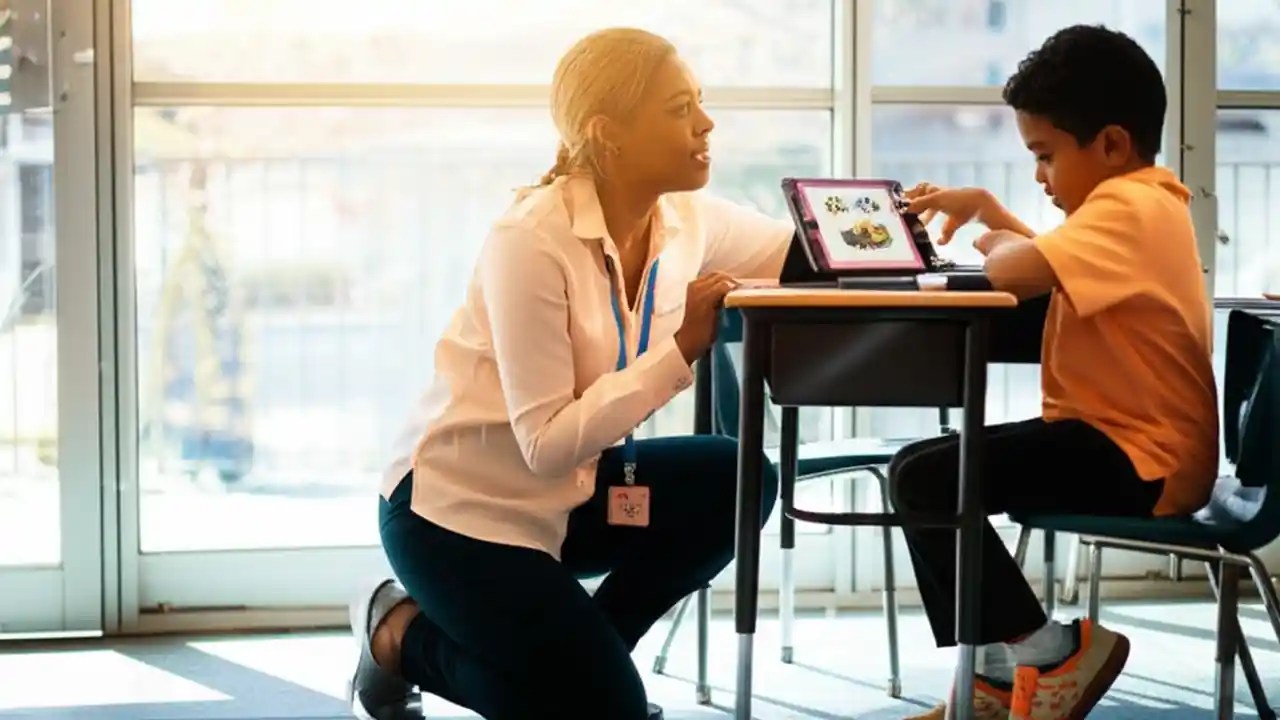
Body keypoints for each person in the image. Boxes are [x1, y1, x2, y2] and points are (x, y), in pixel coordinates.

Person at [346, 27, 791, 720]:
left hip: (572, 494)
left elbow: (805, 255)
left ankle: (587, 670)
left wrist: (902, 233)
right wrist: (679, 353)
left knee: (739, 480)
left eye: (699, 104)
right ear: (608, 133)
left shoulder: (686, 221)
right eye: (680, 109)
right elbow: (545, 443)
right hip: (459, 513)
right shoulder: (531, 240)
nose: (706, 124)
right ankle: (398, 636)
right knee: (600, 707)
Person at [893, 25, 1218, 720]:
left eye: (1044, 156)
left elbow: (1017, 272)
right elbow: (1049, 258)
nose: (1040, 176)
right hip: (1126, 444)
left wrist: (992, 234)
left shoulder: (1130, 204)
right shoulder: (1139, 205)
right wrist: (988, 212)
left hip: (1140, 457)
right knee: (924, 467)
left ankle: (1052, 653)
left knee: (927, 478)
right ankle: (992, 682)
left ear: (1109, 144)